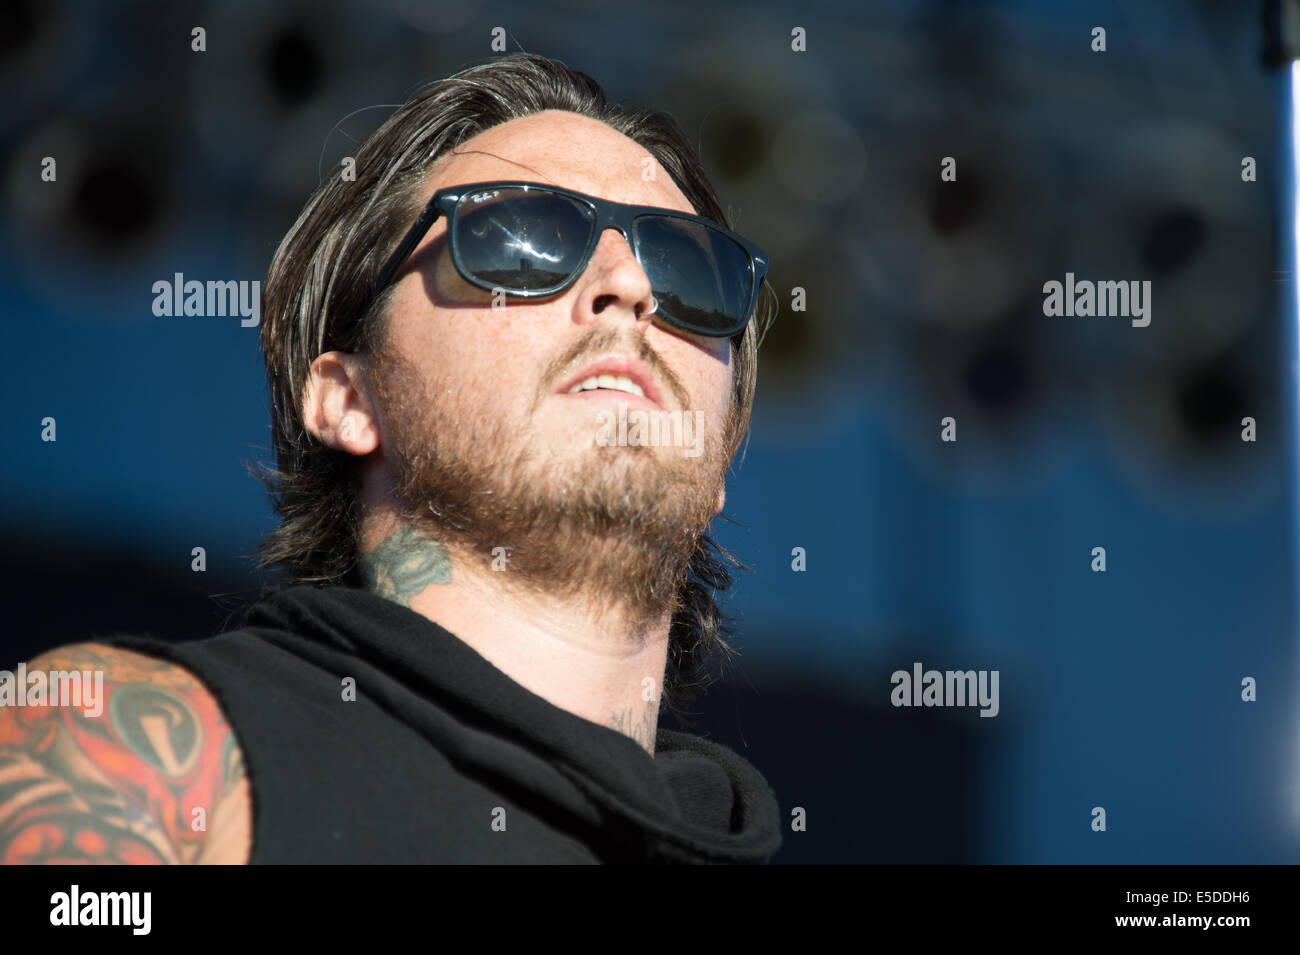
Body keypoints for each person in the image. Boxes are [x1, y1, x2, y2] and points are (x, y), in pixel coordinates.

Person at [0, 53, 780, 864]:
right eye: (520, 238)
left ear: (719, 459)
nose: (629, 285)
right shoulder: (142, 758)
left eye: (691, 269)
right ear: (348, 396)